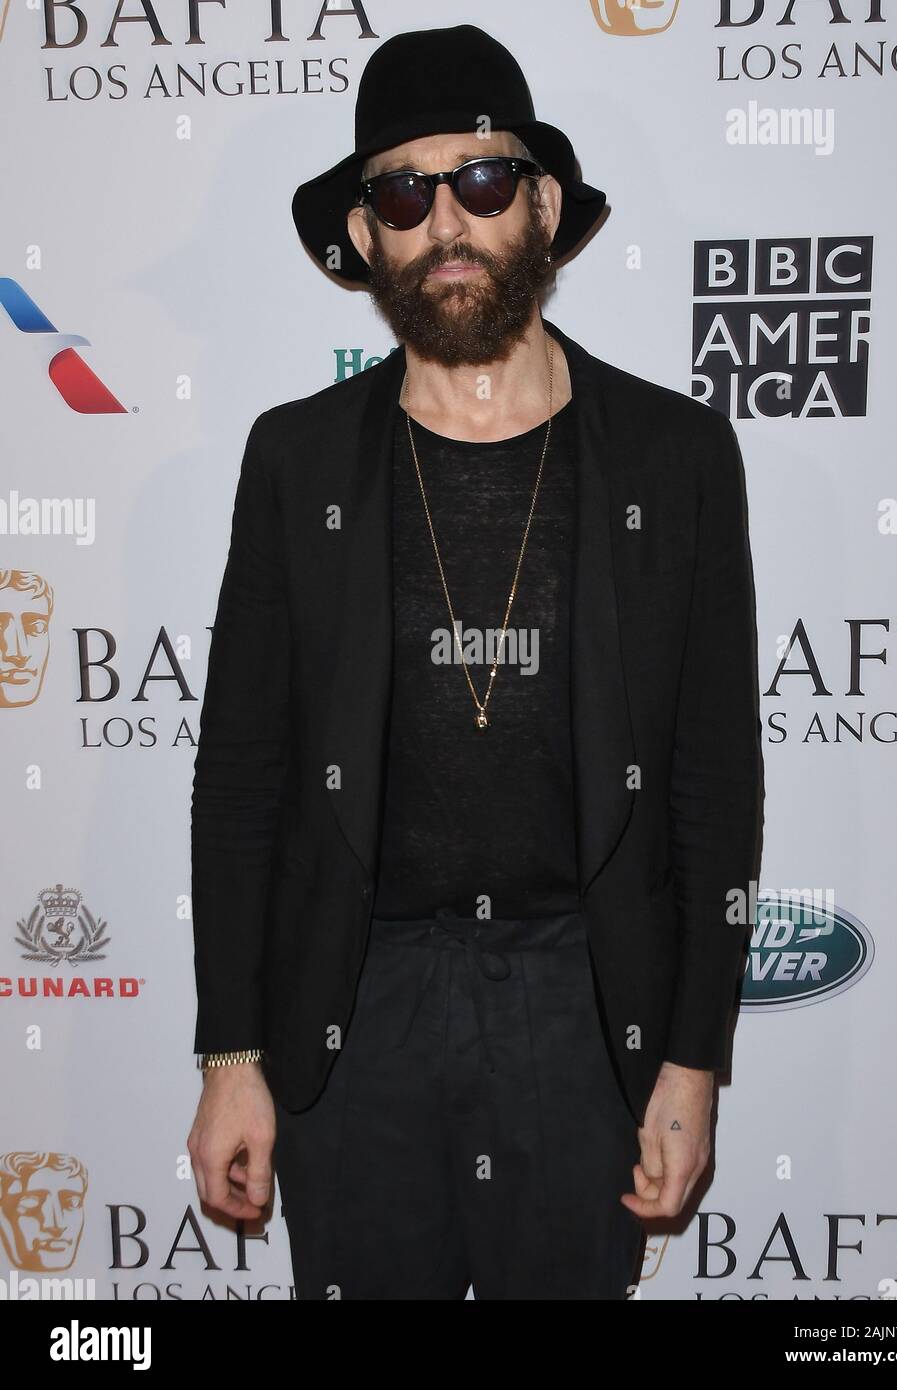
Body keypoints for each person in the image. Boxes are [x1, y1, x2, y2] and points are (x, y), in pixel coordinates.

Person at [186, 23, 763, 1301]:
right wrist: (230, 1052)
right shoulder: (297, 460)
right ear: (368, 235)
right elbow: (239, 782)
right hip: (356, 999)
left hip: (582, 995)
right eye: (403, 190)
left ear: (543, 205)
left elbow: (715, 789)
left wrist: (691, 1062)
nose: (445, 218)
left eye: (482, 180)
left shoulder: (674, 458)